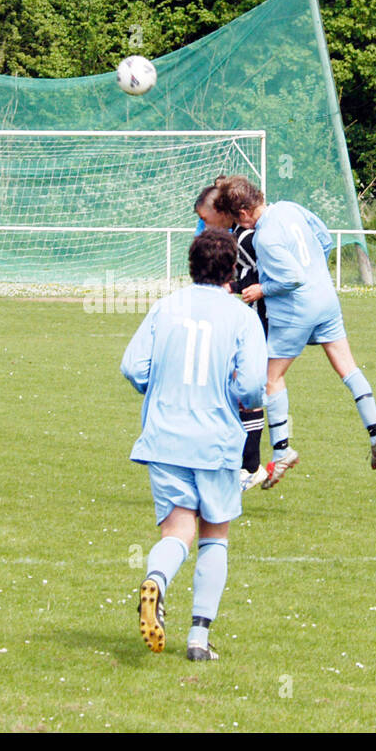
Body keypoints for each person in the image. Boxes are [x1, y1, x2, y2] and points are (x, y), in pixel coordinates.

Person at [121, 228, 267, 661]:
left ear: (191, 267)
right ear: (234, 271)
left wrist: (159, 388)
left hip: (165, 437)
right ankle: (199, 640)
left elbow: (133, 367)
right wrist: (239, 398)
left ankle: (157, 580)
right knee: (214, 537)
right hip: (216, 441)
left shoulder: (166, 307)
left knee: (178, 531)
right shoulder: (241, 315)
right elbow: (255, 386)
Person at [213, 177, 376, 485]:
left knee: (271, 379)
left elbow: (292, 278)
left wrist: (261, 288)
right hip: (327, 300)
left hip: (297, 310)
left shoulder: (264, 236)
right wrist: (315, 270)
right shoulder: (291, 208)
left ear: (242, 213)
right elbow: (324, 239)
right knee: (348, 368)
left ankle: (282, 451)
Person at [194, 181, 269, 492]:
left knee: (246, 386)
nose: (204, 226)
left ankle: (251, 465)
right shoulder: (233, 236)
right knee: (230, 388)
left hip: (255, 319)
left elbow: (261, 276)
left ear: (224, 213)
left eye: (207, 219)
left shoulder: (252, 237)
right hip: (235, 317)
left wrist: (257, 289)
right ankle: (239, 463)